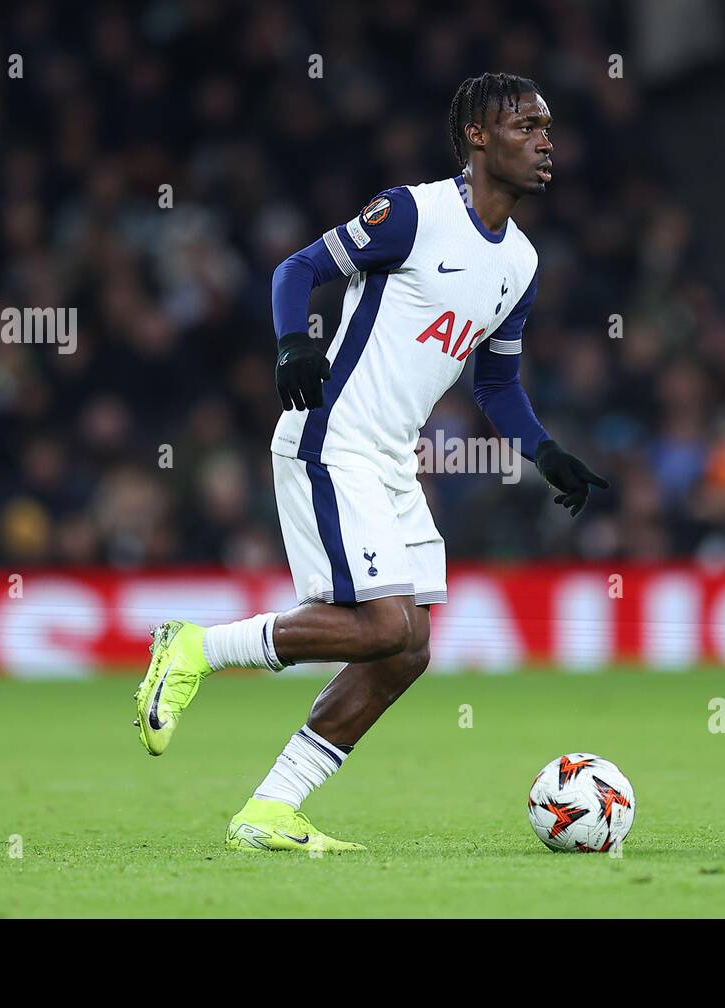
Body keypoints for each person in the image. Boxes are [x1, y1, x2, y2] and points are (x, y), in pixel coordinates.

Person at [134, 73, 608, 853]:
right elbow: (296, 270)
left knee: (408, 648)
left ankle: (271, 809)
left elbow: (495, 379)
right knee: (383, 622)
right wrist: (293, 343)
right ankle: (192, 648)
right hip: (332, 437)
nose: (545, 139)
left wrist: (544, 451)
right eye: (525, 125)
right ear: (479, 137)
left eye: (549, 125)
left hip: (392, 458)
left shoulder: (519, 262)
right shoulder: (413, 213)